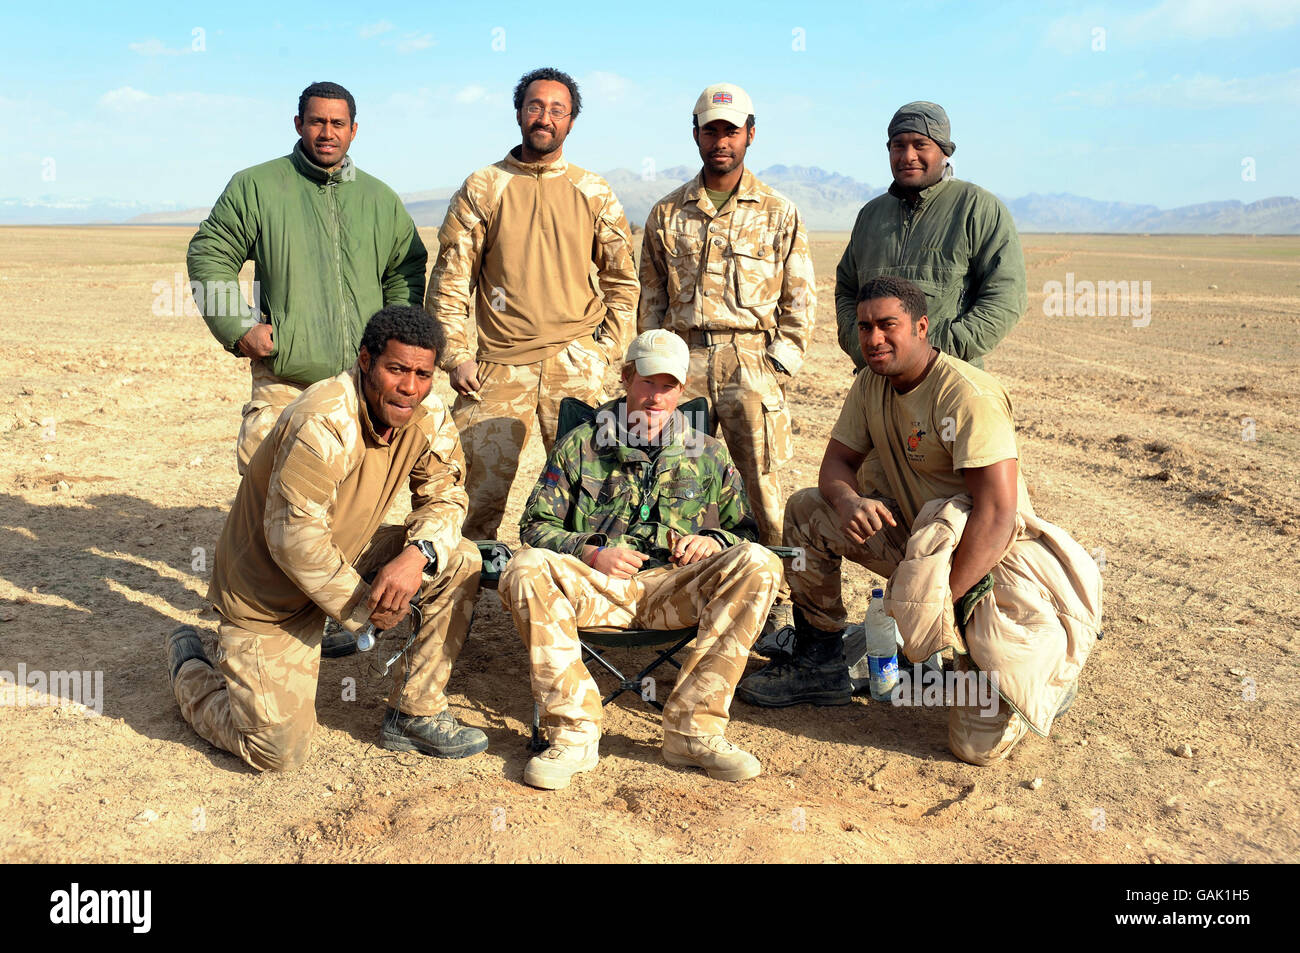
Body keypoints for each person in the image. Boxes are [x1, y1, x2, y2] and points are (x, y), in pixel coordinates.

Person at [738, 277, 1100, 766]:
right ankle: (819, 664)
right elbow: (836, 466)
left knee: (973, 749)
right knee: (807, 510)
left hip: (986, 563)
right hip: (917, 544)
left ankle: (1040, 677)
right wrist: (848, 504)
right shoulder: (871, 382)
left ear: (921, 327)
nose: (874, 339)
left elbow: (997, 516)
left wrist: (936, 607)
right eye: (865, 327)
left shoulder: (968, 396)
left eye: (889, 325)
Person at [166, 306, 488, 771]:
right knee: (277, 752)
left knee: (458, 558)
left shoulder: (426, 411)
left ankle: (413, 712)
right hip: (267, 595)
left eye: (422, 373)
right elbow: (293, 540)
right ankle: (192, 668)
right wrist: (366, 610)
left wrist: (418, 554)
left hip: (344, 559)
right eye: (396, 369)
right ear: (365, 361)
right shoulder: (324, 419)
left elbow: (447, 494)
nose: (409, 387)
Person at [499, 330, 783, 789]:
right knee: (525, 567)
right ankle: (573, 734)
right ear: (627, 377)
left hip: (675, 589)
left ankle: (694, 731)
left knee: (759, 562)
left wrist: (713, 539)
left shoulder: (707, 453)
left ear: (682, 389)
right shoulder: (581, 445)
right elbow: (533, 527)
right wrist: (591, 551)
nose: (656, 396)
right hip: (597, 589)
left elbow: (745, 530)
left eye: (668, 385)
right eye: (648, 382)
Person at [425, 66, 638, 540]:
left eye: (557, 110)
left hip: (576, 363)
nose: (545, 117)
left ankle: (575, 597)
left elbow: (623, 281)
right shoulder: (485, 186)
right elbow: (451, 280)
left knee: (595, 493)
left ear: (571, 122)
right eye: (536, 107)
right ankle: (456, 604)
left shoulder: (593, 190)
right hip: (498, 367)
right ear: (519, 113)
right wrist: (456, 355)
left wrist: (606, 352)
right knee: (468, 496)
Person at [187, 81, 427, 475]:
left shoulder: (380, 198)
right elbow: (209, 254)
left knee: (348, 502)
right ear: (299, 124)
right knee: (270, 497)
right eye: (317, 121)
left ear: (354, 129)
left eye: (338, 123)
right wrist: (239, 325)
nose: (327, 132)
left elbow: (406, 271)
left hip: (361, 382)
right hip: (286, 380)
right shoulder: (257, 186)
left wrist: (392, 348)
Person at [638, 83, 815, 549]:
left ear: (750, 135)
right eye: (710, 130)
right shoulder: (667, 213)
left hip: (751, 363)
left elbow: (800, 301)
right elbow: (651, 300)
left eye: (731, 131)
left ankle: (775, 591)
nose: (721, 141)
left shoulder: (779, 212)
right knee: (678, 479)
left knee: (763, 485)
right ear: (695, 135)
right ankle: (679, 588)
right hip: (683, 364)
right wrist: (655, 371)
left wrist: (777, 366)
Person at [834, 101, 1026, 372]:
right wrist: (859, 343)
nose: (908, 156)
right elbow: (847, 288)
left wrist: (936, 352)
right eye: (898, 145)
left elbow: (1005, 296)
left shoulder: (976, 207)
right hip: (876, 380)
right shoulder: (871, 215)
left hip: (948, 379)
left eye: (920, 144)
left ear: (945, 151)